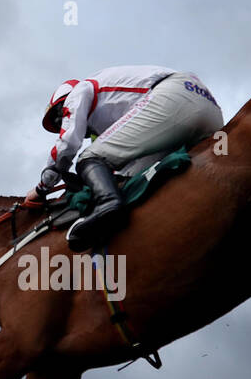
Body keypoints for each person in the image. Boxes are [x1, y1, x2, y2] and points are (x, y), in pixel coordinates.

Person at [25, 66, 224, 250]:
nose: (62, 125)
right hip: (209, 109)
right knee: (132, 178)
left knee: (89, 157)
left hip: (174, 97)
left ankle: (108, 204)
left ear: (62, 105)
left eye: (58, 120)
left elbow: (68, 144)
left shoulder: (78, 92)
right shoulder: (114, 105)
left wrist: (42, 187)